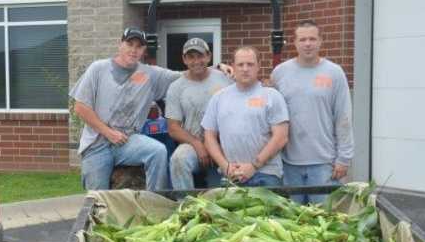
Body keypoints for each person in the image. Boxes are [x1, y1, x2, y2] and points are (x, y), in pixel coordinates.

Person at [70, 28, 182, 191]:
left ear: (143, 50)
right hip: (97, 144)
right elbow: (80, 108)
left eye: (139, 46)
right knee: (98, 202)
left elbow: (185, 75)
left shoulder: (150, 74)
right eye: (130, 44)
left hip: (128, 141)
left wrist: (218, 68)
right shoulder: (98, 69)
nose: (134, 50)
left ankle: (153, 202)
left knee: (158, 151)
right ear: (120, 45)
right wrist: (109, 132)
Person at [271, 19, 354, 204]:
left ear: (320, 41)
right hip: (289, 164)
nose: (307, 44)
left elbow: (343, 117)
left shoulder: (334, 73)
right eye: (302, 39)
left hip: (325, 164)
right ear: (294, 42)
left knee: (326, 221)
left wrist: (344, 158)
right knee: (294, 224)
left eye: (312, 39)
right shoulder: (280, 73)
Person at [201, 46, 289, 187]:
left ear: (258, 66)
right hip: (231, 175)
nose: (245, 69)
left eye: (250, 64)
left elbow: (281, 137)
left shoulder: (272, 96)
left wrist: (253, 166)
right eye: (240, 64)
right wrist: (225, 166)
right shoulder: (219, 98)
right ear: (233, 67)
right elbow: (209, 136)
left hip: (266, 175)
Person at [166, 38, 232, 190]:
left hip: (224, 143)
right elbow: (173, 128)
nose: (196, 61)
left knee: (221, 191)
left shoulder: (225, 78)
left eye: (200, 56)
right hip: (193, 143)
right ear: (184, 59)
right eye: (191, 57)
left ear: (208, 56)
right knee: (178, 160)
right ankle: (186, 207)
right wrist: (197, 144)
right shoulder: (176, 87)